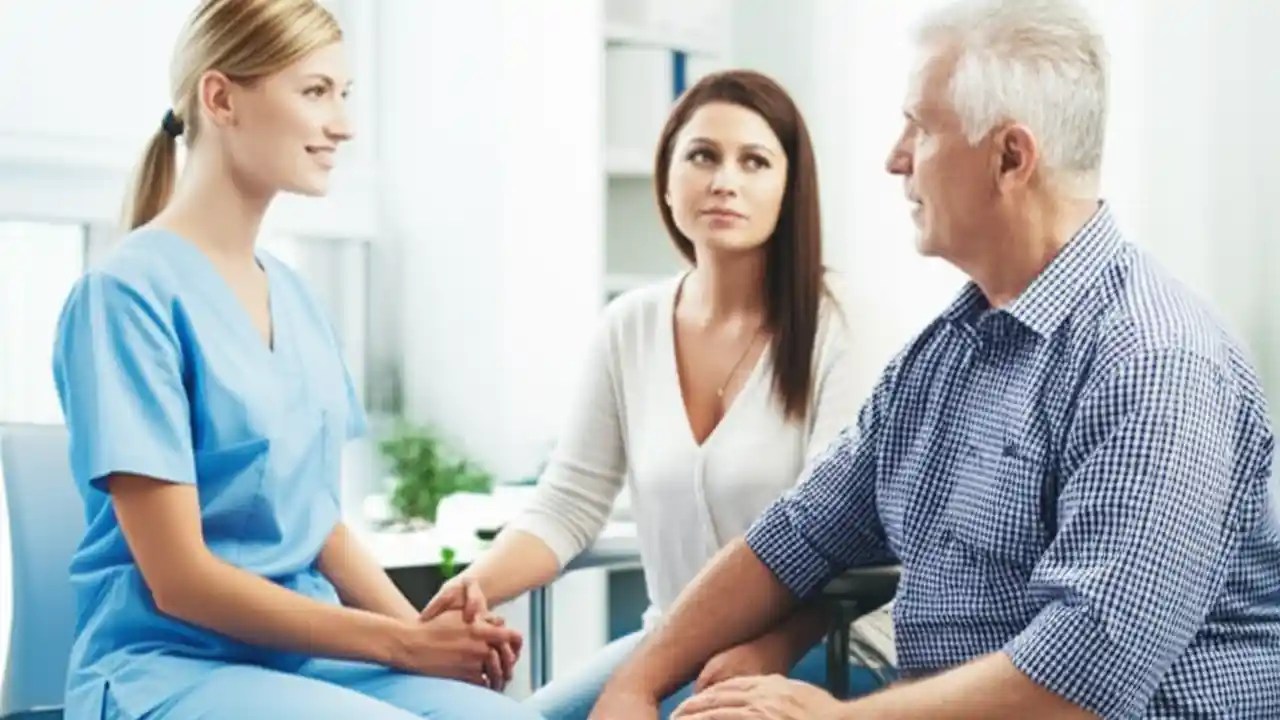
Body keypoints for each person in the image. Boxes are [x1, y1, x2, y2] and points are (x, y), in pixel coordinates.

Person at [589, 1, 1280, 718]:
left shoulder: (1156, 363)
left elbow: (1084, 673)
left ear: (1010, 158)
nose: (896, 157)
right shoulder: (946, 354)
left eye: (920, 128)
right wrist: (635, 685)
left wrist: (836, 719)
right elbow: (798, 533)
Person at [50, 1, 542, 718]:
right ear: (221, 99)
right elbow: (181, 581)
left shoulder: (296, 298)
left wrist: (431, 638)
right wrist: (403, 647)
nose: (343, 124)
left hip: (307, 662)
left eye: (345, 94)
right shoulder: (124, 296)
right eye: (315, 92)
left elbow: (320, 527)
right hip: (167, 668)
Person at [420, 69, 894, 719]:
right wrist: (477, 585)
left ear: (790, 189)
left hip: (827, 647)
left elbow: (839, 536)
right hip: (673, 648)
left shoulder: (841, 326)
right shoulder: (629, 325)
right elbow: (567, 505)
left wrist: (768, 647)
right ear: (667, 181)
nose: (725, 180)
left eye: (754, 161)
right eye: (702, 156)